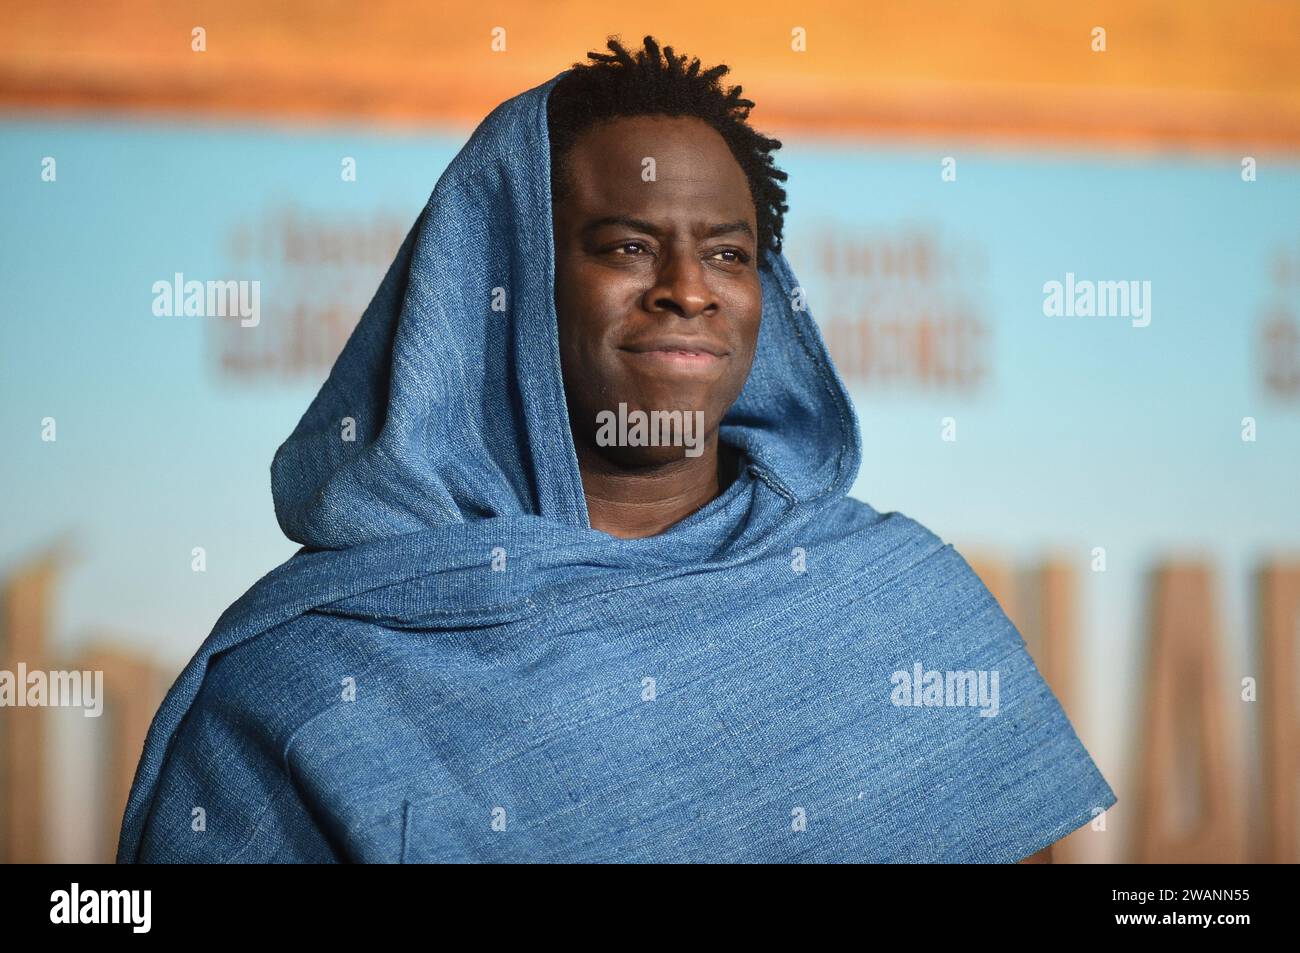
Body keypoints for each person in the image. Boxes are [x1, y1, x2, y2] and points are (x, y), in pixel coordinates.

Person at [117, 36, 1115, 863]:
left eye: (727, 251)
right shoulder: (314, 677)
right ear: (500, 290)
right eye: (626, 246)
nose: (688, 286)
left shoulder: (896, 606)